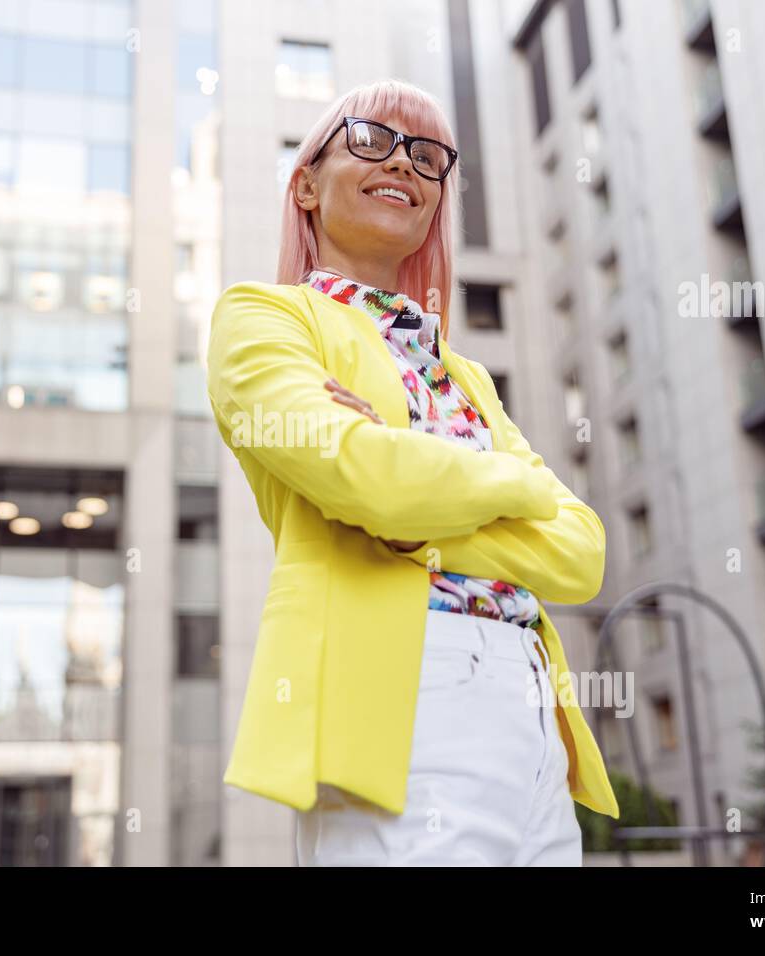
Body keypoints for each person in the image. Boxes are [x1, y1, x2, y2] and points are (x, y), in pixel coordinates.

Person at [206, 78, 619, 866]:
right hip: (403, 691)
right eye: (371, 139)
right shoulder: (263, 318)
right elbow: (373, 485)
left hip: (532, 701)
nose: (405, 162)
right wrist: (511, 484)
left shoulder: (463, 376)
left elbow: (581, 554)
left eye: (428, 155)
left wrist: (415, 509)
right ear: (305, 185)